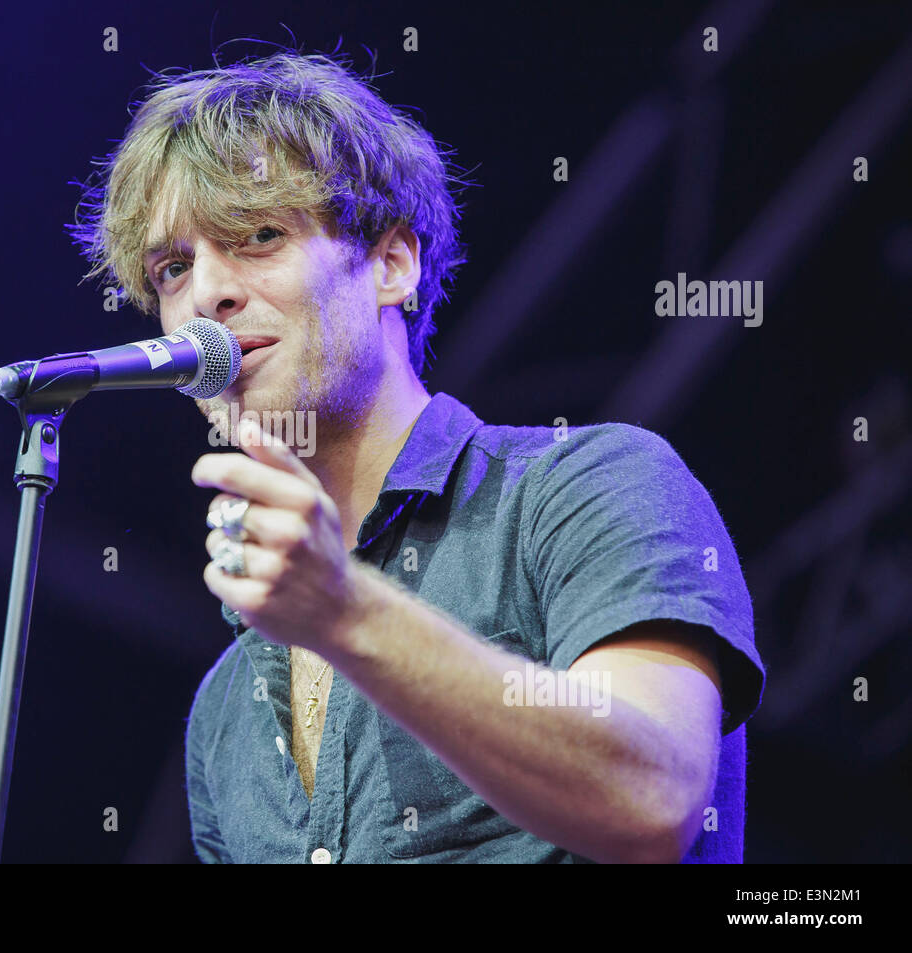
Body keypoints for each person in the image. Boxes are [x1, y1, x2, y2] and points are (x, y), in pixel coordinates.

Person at [68, 49, 765, 863]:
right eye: (172, 267)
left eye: (259, 235)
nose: (205, 295)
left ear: (391, 265)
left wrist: (345, 611)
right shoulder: (224, 711)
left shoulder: (589, 486)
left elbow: (651, 800)